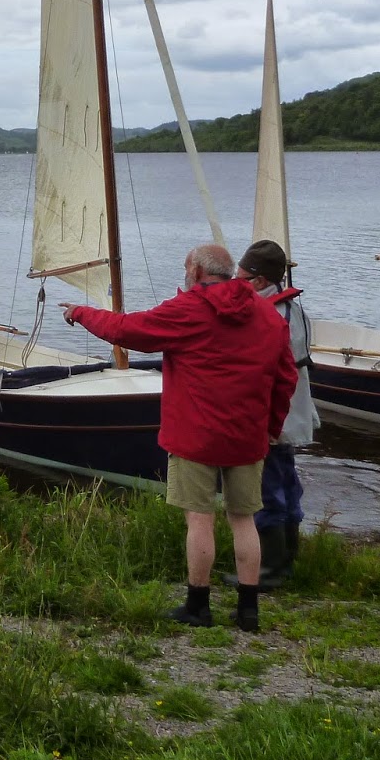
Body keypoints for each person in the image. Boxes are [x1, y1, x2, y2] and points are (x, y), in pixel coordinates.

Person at [60, 243, 297, 632]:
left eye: (186, 268)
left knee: (199, 519)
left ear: (198, 272)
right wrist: (271, 427)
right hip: (247, 436)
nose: (184, 275)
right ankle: (249, 611)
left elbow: (125, 330)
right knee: (243, 519)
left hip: (195, 435)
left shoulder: (189, 309)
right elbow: (286, 377)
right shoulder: (267, 315)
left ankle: (198, 606)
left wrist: (80, 312)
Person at [233, 239, 318, 590]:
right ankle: (287, 560)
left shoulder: (269, 314)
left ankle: (270, 568)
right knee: (286, 482)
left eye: (240, 278)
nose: (235, 284)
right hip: (291, 411)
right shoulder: (293, 309)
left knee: (268, 486)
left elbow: (263, 370)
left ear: (260, 280)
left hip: (274, 413)